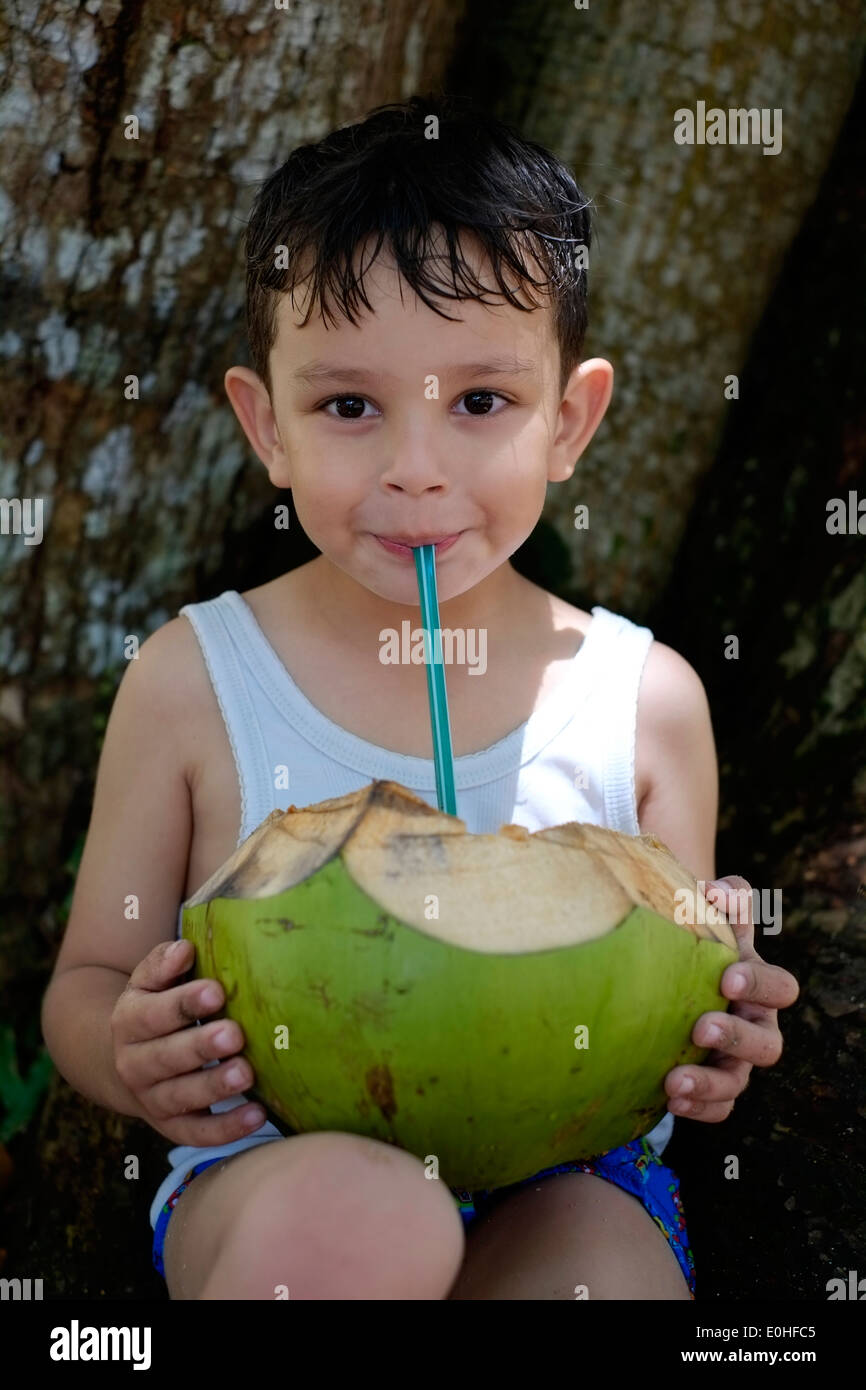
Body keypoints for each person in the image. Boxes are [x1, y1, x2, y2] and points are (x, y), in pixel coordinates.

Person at [40, 93, 799, 1301]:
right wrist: (134, 1053)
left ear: (570, 418)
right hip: (279, 1157)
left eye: (480, 404)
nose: (414, 467)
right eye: (348, 406)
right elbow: (86, 983)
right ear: (266, 426)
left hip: (569, 1161)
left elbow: (675, 983)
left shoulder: (643, 703)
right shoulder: (192, 680)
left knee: (599, 1277)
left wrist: (716, 1042)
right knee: (360, 1226)